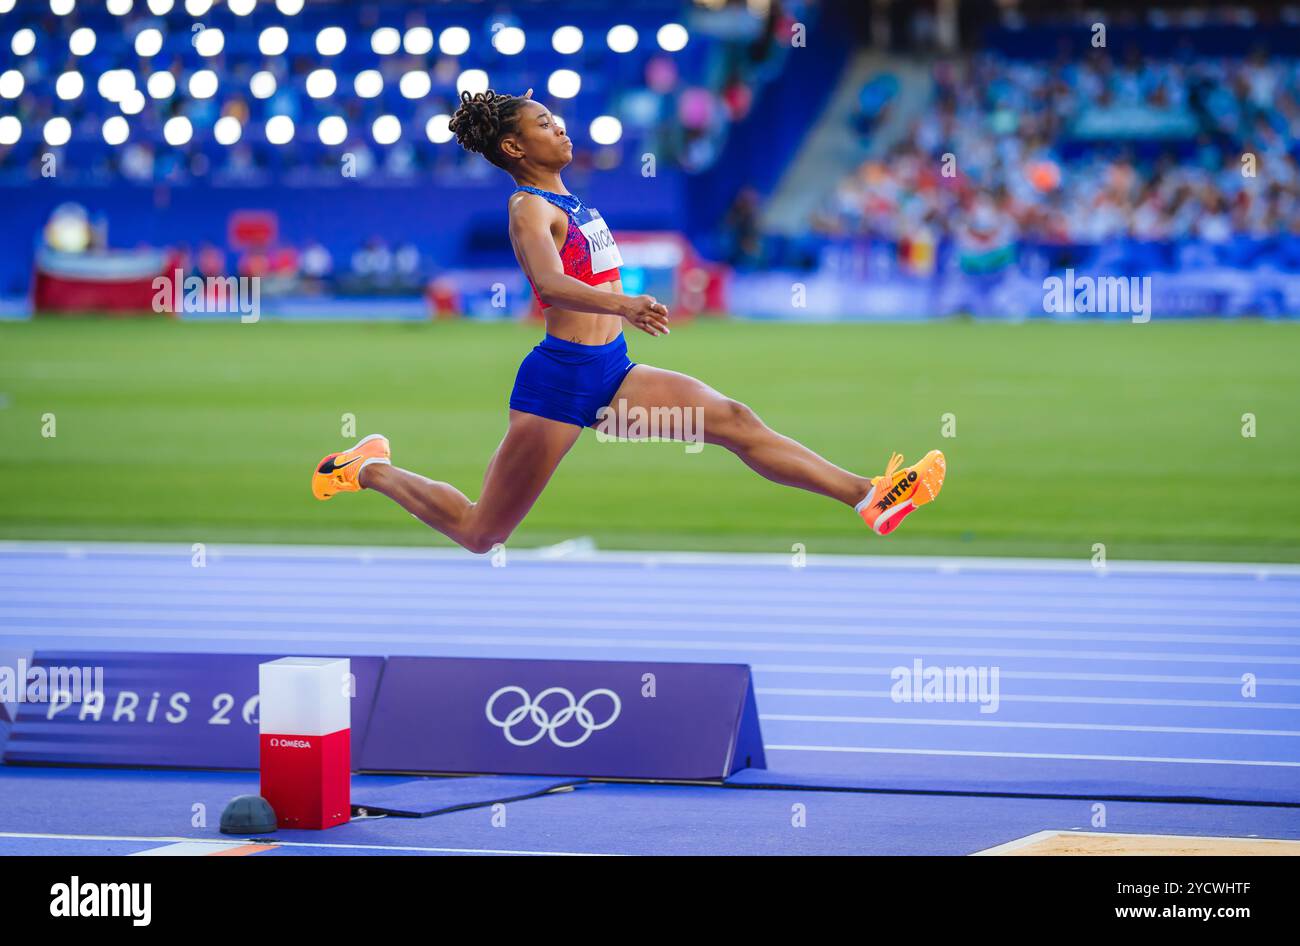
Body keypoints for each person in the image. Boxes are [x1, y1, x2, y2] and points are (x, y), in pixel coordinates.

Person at [310, 89, 945, 551]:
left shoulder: (569, 198)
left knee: (732, 420)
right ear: (513, 146)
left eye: (556, 120)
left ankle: (868, 494)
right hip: (560, 385)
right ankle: (366, 467)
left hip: (612, 376)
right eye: (544, 124)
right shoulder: (529, 208)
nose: (560, 130)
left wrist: (620, 312)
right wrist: (624, 303)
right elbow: (547, 285)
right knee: (482, 532)